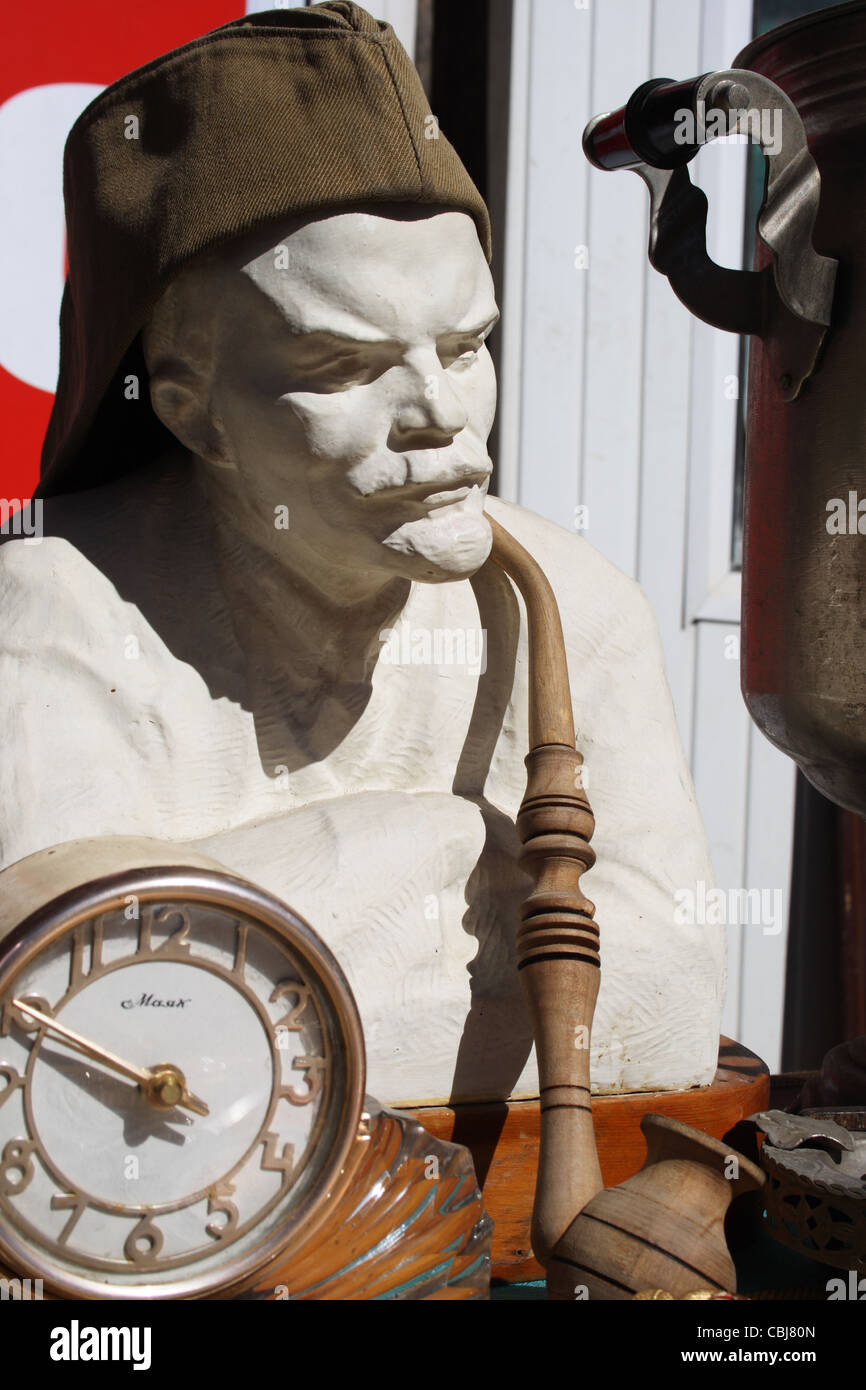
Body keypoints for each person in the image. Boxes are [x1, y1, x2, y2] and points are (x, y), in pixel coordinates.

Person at [0, 3, 724, 1106]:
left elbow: (669, 1014)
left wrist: (241, 999)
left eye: (467, 344)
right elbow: (73, 1057)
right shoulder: (53, 606)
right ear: (191, 407)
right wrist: (424, 844)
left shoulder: (571, 605)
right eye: (343, 363)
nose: (441, 412)